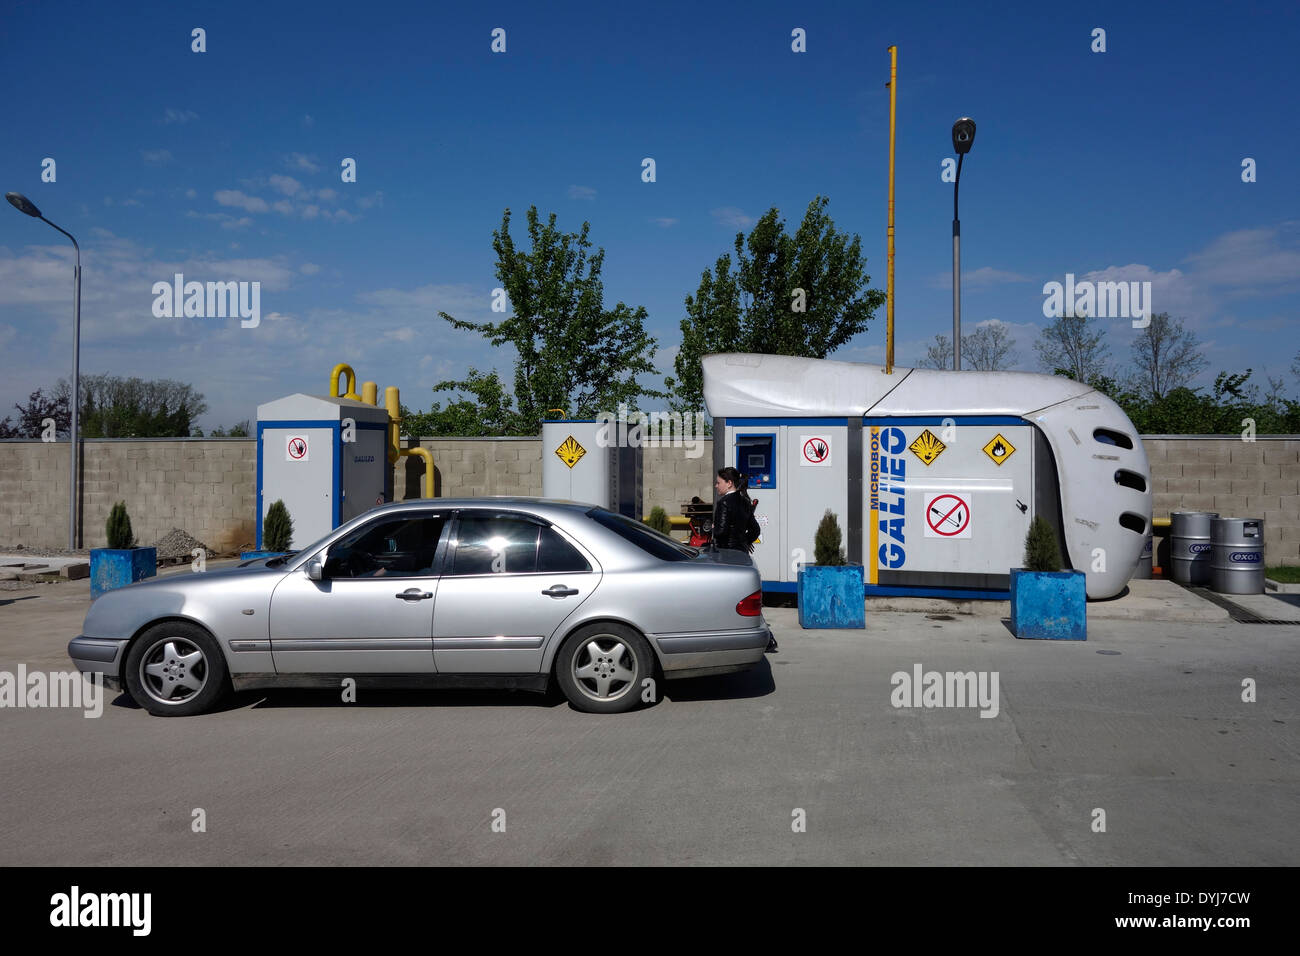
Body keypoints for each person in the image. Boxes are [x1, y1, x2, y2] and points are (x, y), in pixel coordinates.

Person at [712, 467, 777, 653]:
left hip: (725, 557)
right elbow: (755, 530)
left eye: (719, 482)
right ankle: (766, 637)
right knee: (744, 598)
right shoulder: (744, 501)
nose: (716, 486)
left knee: (726, 597)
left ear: (729, 483)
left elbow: (721, 532)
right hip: (741, 555)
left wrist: (714, 528)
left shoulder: (724, 503)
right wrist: (744, 542)